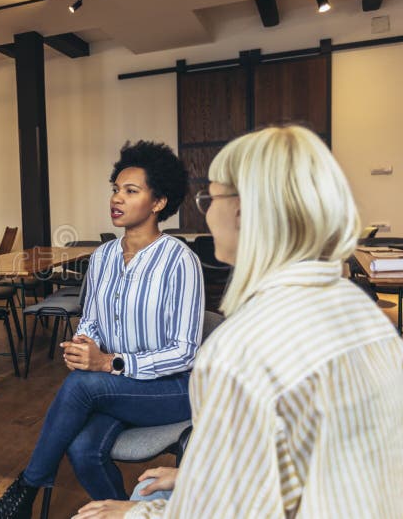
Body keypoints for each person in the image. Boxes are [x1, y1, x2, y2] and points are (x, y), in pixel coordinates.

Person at [75, 125, 403, 519]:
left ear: (243, 211)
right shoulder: (361, 310)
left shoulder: (242, 348)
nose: (205, 210)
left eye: (208, 197)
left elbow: (237, 510)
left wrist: (135, 514)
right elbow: (296, 455)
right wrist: (193, 474)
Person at [0, 141, 204, 518]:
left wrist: (109, 364)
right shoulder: (102, 257)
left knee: (84, 385)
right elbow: (92, 320)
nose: (116, 198)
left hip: (173, 388)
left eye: (131, 191)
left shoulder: (180, 261)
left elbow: (185, 351)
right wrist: (83, 344)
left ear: (159, 202)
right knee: (83, 450)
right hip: (118, 390)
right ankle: (126, 512)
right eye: (115, 189)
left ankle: (26, 490)